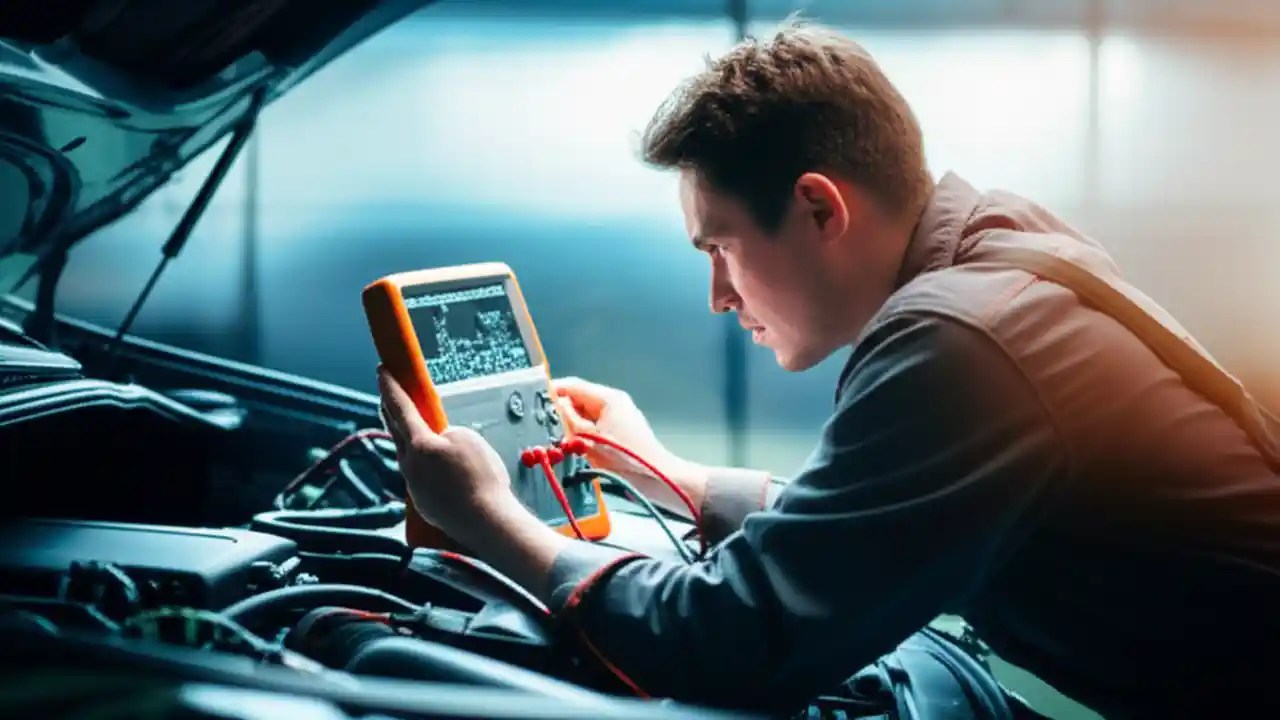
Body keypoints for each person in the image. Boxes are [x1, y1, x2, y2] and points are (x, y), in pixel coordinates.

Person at [376, 17, 1280, 718]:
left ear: (818, 207)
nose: (718, 297)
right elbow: (876, 522)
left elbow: (732, 642)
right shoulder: (998, 247)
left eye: (720, 247)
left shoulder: (963, 342)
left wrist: (491, 521)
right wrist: (673, 476)